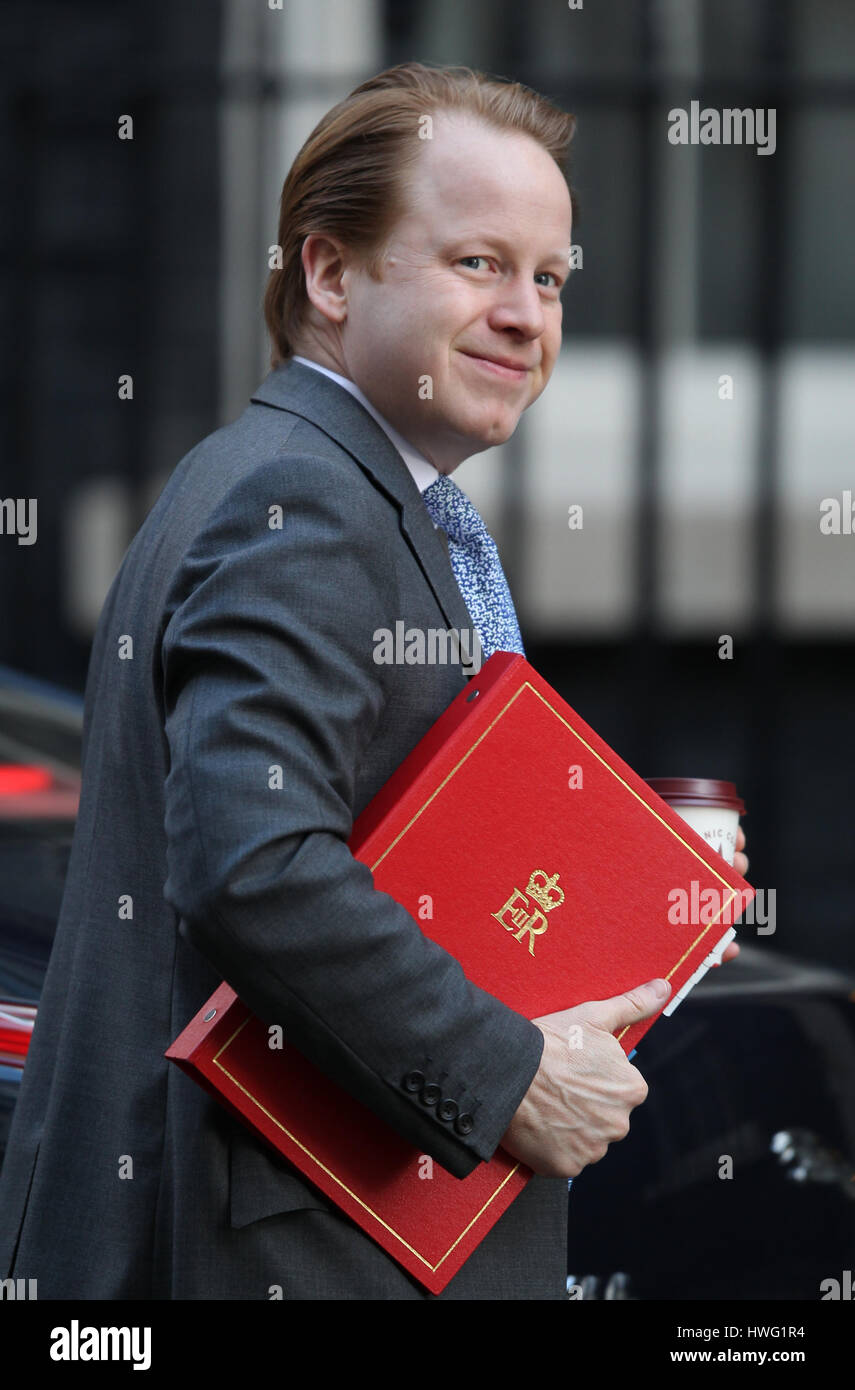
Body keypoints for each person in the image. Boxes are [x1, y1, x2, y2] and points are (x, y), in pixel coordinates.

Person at [0, 62, 745, 1301]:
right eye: (477, 264)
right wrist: (511, 1074)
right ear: (331, 275)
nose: (526, 314)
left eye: (550, 278)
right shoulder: (304, 504)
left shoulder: (310, 482)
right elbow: (255, 862)